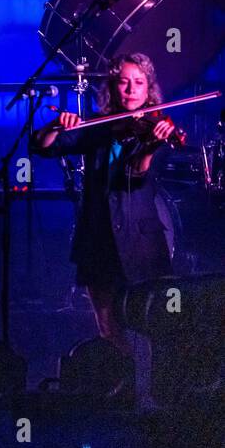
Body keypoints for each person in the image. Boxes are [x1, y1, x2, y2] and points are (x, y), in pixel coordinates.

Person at [31, 53, 178, 352]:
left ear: (149, 88)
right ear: (112, 87)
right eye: (123, 82)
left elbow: (137, 175)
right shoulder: (98, 127)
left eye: (139, 83)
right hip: (98, 240)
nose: (131, 90)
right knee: (110, 334)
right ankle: (119, 394)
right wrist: (56, 125)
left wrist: (149, 148)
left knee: (158, 331)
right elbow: (42, 147)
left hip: (142, 243)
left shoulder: (158, 128)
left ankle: (155, 396)